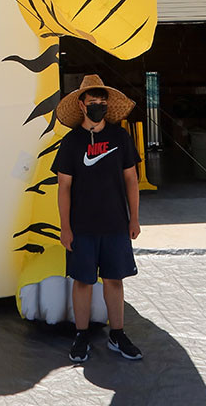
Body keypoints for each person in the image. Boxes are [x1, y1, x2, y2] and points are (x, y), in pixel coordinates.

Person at [51, 74, 143, 363]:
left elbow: (132, 179)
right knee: (82, 282)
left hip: (116, 224)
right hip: (81, 227)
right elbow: (63, 188)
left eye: (103, 101)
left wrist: (134, 218)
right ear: (81, 104)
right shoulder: (71, 142)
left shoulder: (120, 137)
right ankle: (81, 335)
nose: (99, 105)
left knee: (114, 280)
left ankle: (118, 334)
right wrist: (65, 228)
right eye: (93, 101)